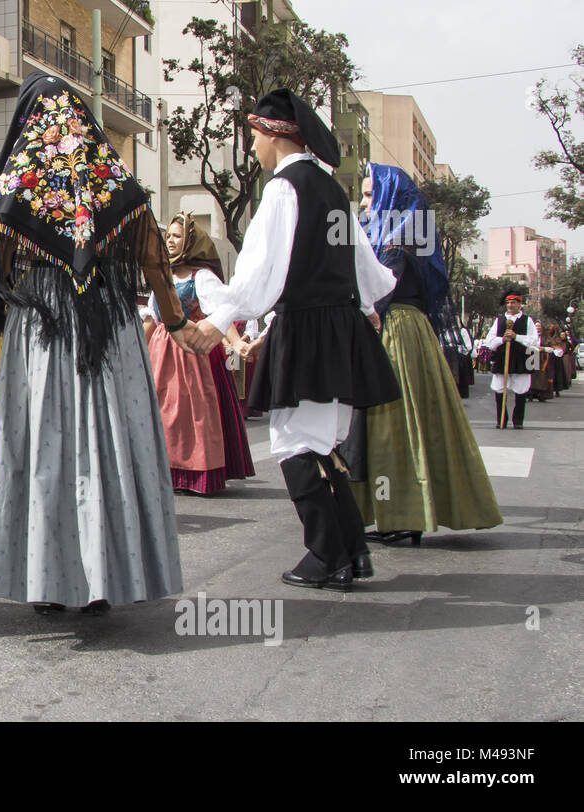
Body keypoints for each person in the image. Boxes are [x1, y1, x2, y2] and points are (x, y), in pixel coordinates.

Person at [0, 73, 194, 614]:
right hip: (109, 325)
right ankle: (105, 574)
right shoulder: (113, 177)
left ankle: (48, 581)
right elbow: (152, 257)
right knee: (105, 445)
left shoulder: (19, 180)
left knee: (45, 448)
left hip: (42, 329)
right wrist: (176, 322)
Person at [187, 88, 400, 592]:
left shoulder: (285, 189)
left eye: (254, 137)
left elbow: (264, 270)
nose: (252, 149)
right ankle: (351, 552)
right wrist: (366, 309)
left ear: (273, 134)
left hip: (307, 328)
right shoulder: (330, 189)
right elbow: (365, 267)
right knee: (323, 441)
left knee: (295, 442)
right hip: (338, 325)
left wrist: (223, 319)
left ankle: (327, 555)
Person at [345, 163, 501, 546]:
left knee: (392, 426)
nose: (364, 203)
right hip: (401, 330)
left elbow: (381, 286)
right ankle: (395, 513)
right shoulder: (386, 232)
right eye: (363, 194)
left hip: (395, 330)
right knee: (396, 425)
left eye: (369, 194)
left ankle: (402, 514)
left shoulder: (399, 236)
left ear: (389, 198)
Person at [144, 212, 255, 494]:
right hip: (161, 353)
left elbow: (221, 313)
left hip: (192, 352)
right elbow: (151, 318)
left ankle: (198, 473)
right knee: (163, 413)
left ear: (191, 242)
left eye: (177, 236)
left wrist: (235, 341)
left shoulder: (201, 278)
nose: (170, 240)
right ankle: (167, 471)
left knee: (194, 414)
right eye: (167, 236)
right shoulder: (161, 275)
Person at [483, 291, 537, 429]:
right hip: (502, 358)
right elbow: (489, 341)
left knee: (521, 390)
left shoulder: (527, 320)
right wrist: (502, 339)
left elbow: (534, 341)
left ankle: (518, 420)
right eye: (508, 303)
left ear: (520, 305)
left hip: (520, 359)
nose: (510, 305)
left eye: (513, 302)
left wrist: (516, 337)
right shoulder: (499, 320)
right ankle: (501, 419)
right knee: (499, 389)